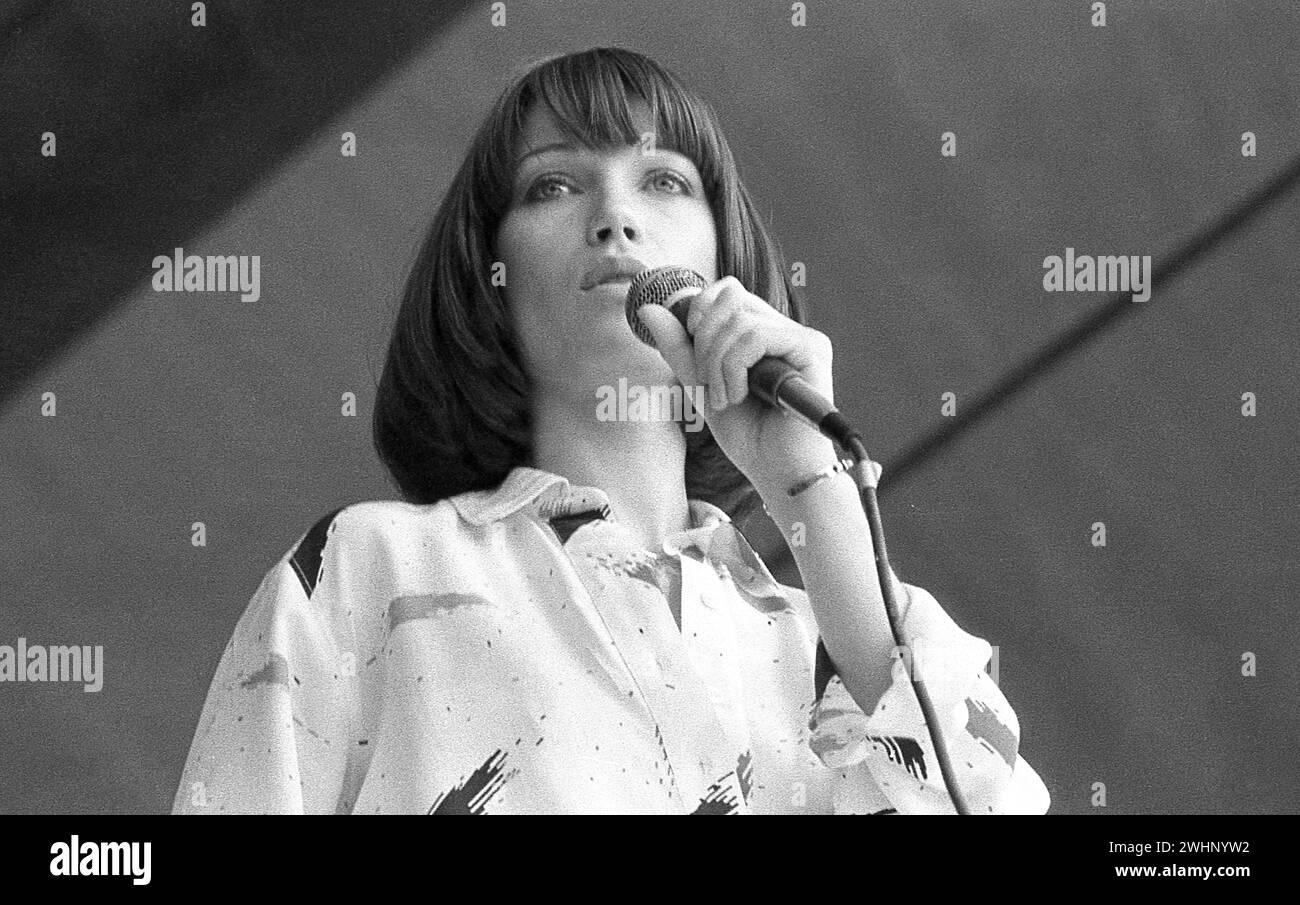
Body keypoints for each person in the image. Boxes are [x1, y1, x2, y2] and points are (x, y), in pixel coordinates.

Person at [172, 47, 1050, 815]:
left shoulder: (815, 654)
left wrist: (812, 496)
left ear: (725, 262)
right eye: (553, 183)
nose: (615, 216)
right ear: (492, 275)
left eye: (665, 179)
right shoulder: (367, 571)